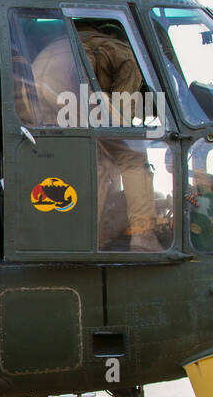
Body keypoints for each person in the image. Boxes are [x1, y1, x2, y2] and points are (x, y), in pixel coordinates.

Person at [30, 23, 159, 251]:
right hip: (69, 70)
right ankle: (142, 236)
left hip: (39, 69)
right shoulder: (126, 52)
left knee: (81, 151)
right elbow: (123, 119)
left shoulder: (75, 37)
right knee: (130, 154)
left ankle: (79, 233)